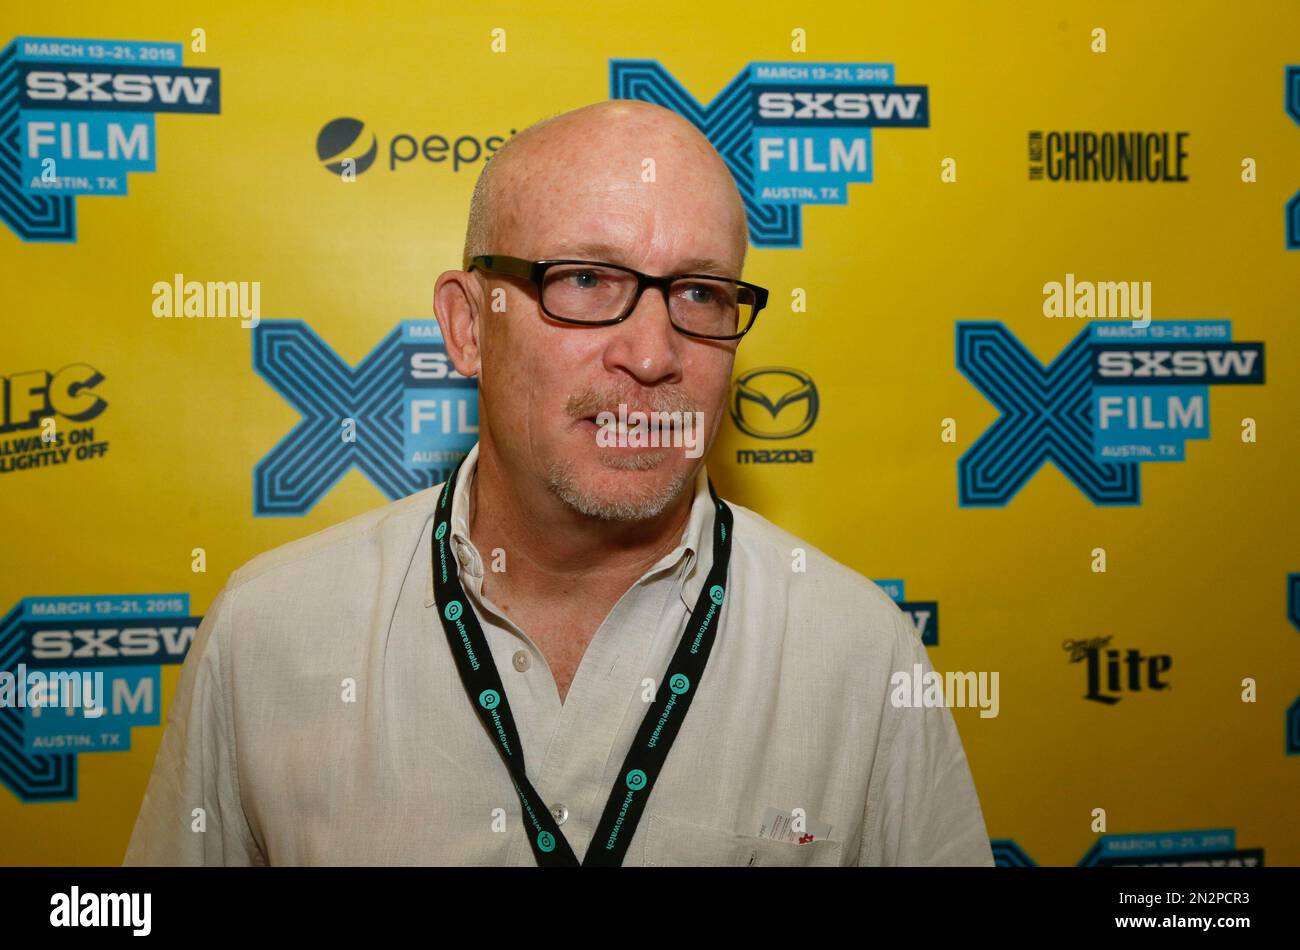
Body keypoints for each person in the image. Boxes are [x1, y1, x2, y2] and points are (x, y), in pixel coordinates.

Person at [124, 99, 993, 866]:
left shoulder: (860, 657)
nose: (654, 355)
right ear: (468, 327)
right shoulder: (268, 635)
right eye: (584, 280)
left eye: (699, 294)